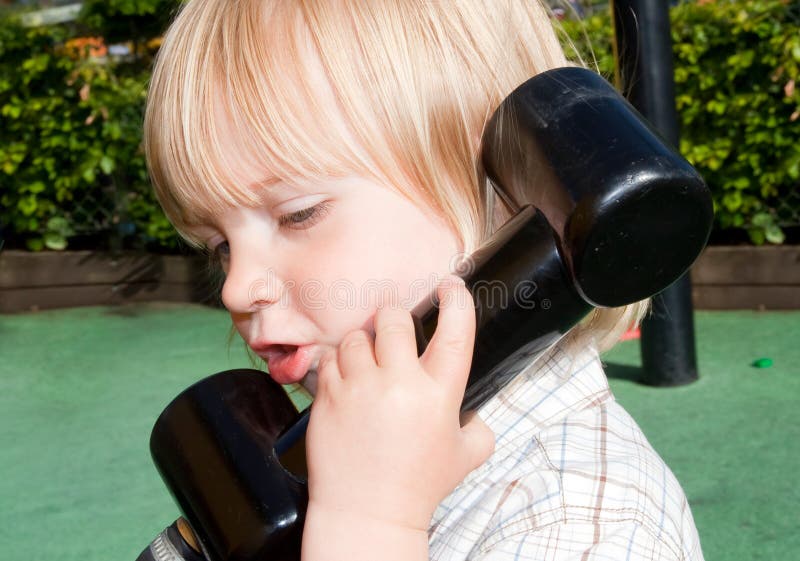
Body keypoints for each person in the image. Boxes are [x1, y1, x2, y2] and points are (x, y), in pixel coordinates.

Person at [143, 1, 704, 560]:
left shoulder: (580, 524)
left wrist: (367, 524)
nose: (236, 288)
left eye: (299, 214)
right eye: (219, 247)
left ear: (503, 193)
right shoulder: (335, 459)